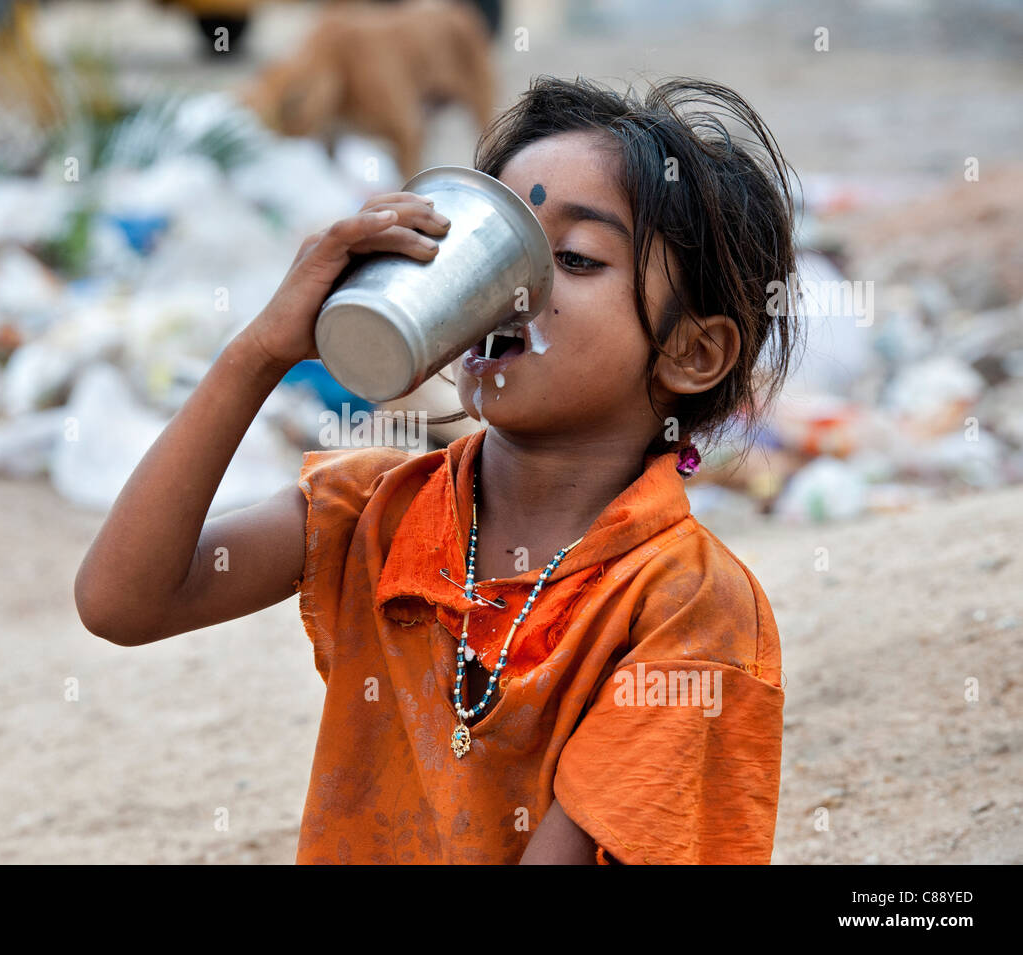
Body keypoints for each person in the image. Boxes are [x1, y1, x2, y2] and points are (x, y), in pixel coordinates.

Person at [75, 75, 801, 864]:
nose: (511, 289)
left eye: (572, 258)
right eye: (490, 248)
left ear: (694, 352)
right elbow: (123, 600)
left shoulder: (685, 604)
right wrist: (262, 351)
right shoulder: (377, 511)